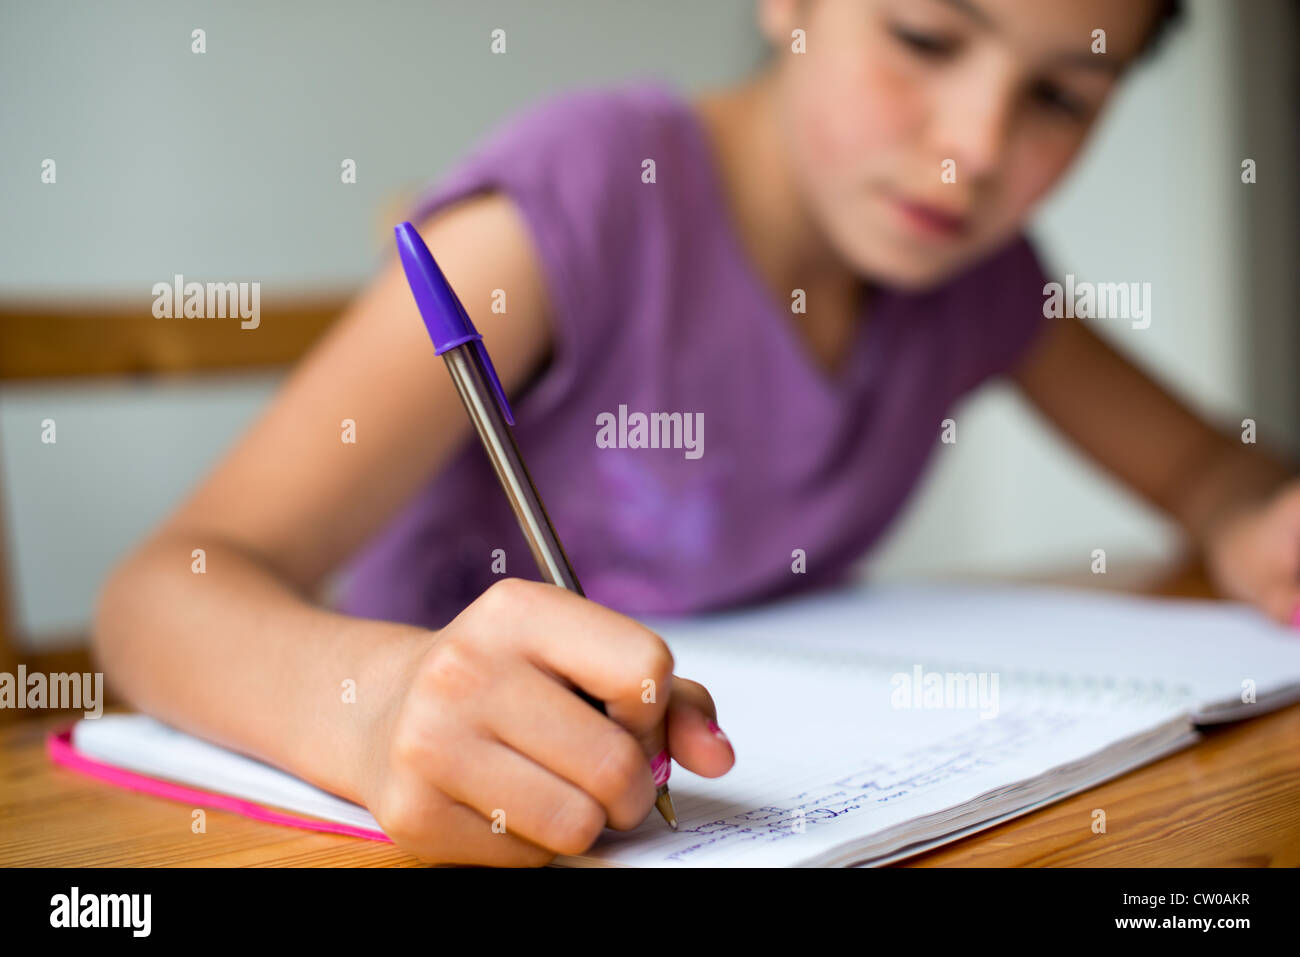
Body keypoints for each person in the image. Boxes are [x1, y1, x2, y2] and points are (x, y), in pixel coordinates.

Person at [94, 0, 1297, 866]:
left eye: (1060, 96)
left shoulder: (980, 281)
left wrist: (1250, 521)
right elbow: (160, 593)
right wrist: (367, 710)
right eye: (927, 37)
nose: (973, 148)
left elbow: (1208, 470)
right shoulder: (580, 197)